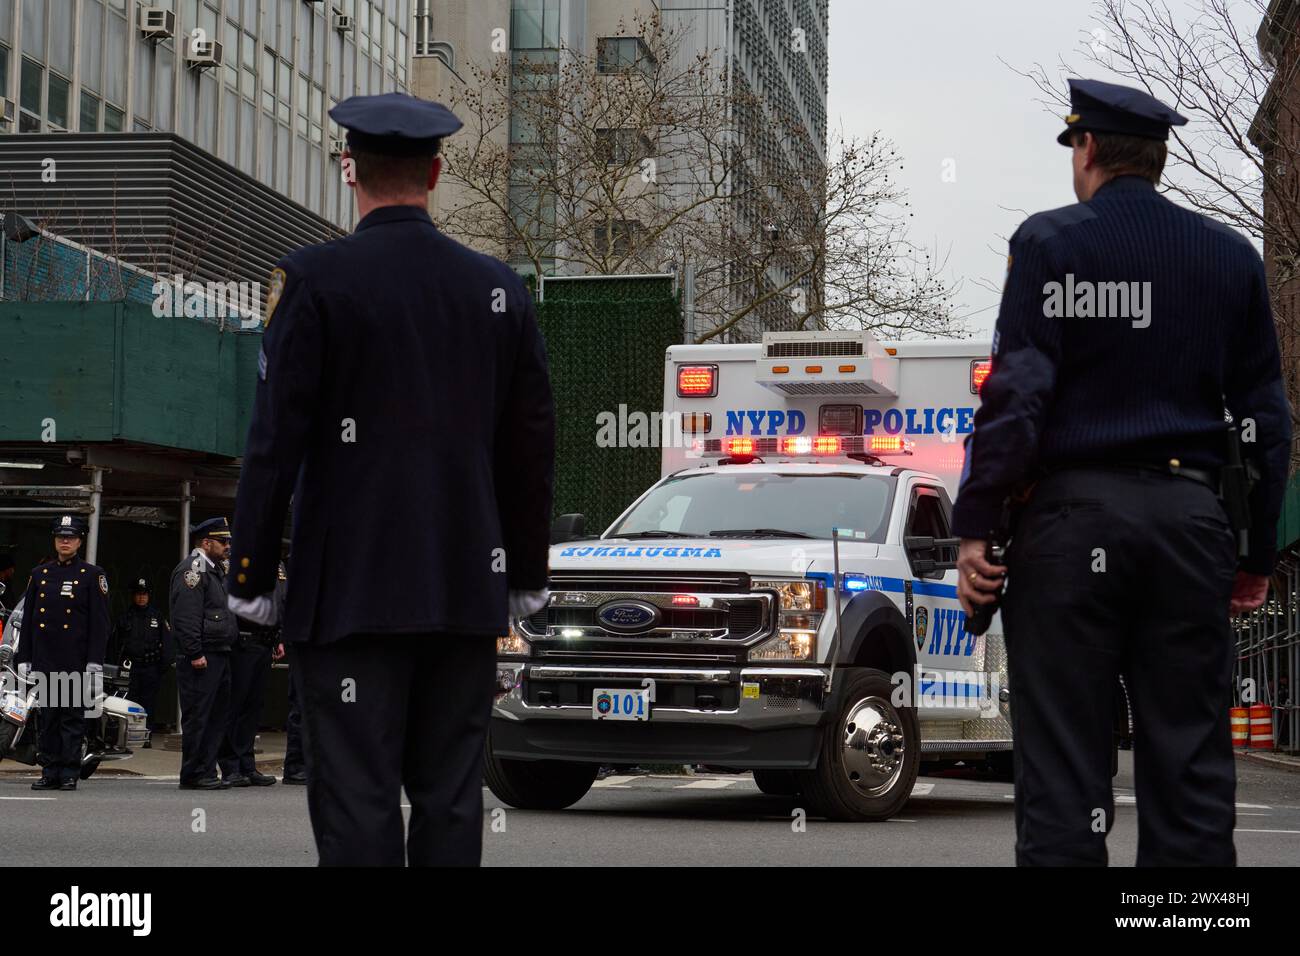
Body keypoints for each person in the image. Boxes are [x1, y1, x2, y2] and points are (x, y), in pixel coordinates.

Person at [953, 78, 1291, 866]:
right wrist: (1255, 554)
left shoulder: (1049, 246)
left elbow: (1017, 395)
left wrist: (976, 526)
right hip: (1189, 524)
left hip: (1070, 530)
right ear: (1161, 159)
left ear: (1090, 150)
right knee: (1193, 777)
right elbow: (1266, 420)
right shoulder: (1230, 258)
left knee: (1065, 775)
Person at [226, 92, 555, 866]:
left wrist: (251, 573)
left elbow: (274, 440)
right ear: (437, 172)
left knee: (356, 801)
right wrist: (524, 573)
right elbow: (530, 445)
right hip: (464, 589)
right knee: (447, 800)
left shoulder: (312, 281)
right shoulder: (497, 290)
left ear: (351, 171)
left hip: (349, 594)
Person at [15, 515, 110, 791]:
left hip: (75, 661)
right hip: (46, 660)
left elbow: (99, 624)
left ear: (80, 541)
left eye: (70, 537)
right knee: (48, 719)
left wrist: (94, 661)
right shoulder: (39, 575)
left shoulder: (92, 575)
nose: (65, 541)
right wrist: (25, 658)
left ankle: (69, 772)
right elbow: (30, 619)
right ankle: (49, 770)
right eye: (60, 537)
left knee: (71, 719)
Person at [170, 517, 238, 790]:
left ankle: (207, 771)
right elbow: (186, 617)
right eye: (223, 541)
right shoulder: (194, 570)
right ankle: (194, 773)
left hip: (219, 653)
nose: (227, 546)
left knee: (216, 716)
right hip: (202, 656)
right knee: (199, 716)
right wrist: (195, 652)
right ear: (206, 542)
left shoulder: (215, 569)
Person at [111, 578, 173, 746]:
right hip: (130, 667)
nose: (141, 598)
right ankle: (127, 737)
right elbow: (115, 643)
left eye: (144, 594)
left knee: (148, 704)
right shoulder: (125, 617)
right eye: (138, 594)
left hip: (151, 667)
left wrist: (162, 666)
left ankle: (146, 738)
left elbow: (167, 643)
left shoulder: (157, 617)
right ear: (133, 596)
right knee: (127, 701)